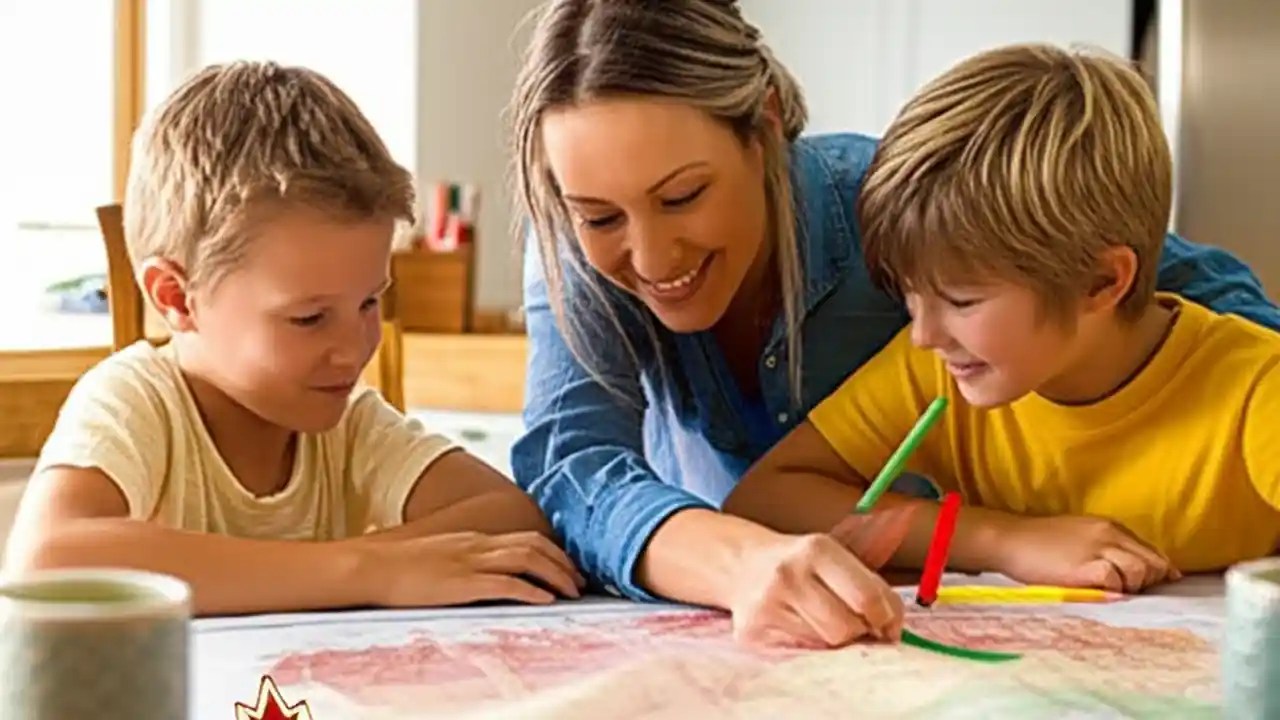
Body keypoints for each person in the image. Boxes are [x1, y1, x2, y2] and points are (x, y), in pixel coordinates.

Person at [508, 0, 1280, 648]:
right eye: (598, 215)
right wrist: (740, 563)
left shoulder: (900, 211)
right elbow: (575, 469)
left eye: (682, 197)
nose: (648, 254)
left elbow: (1163, 274)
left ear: (767, 124)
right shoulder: (576, 259)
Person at [3, 61, 584, 615]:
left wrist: (376, 567)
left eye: (369, 301)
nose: (355, 347)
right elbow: (47, 561)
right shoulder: (137, 402)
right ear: (177, 298)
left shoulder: (351, 428)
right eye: (309, 318)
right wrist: (366, 570)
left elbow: (514, 519)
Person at [723, 42, 1280, 596]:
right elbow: (765, 499)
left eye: (962, 302)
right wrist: (1002, 541)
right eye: (910, 294)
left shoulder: (1256, 387)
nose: (924, 334)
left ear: (1102, 281)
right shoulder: (935, 371)